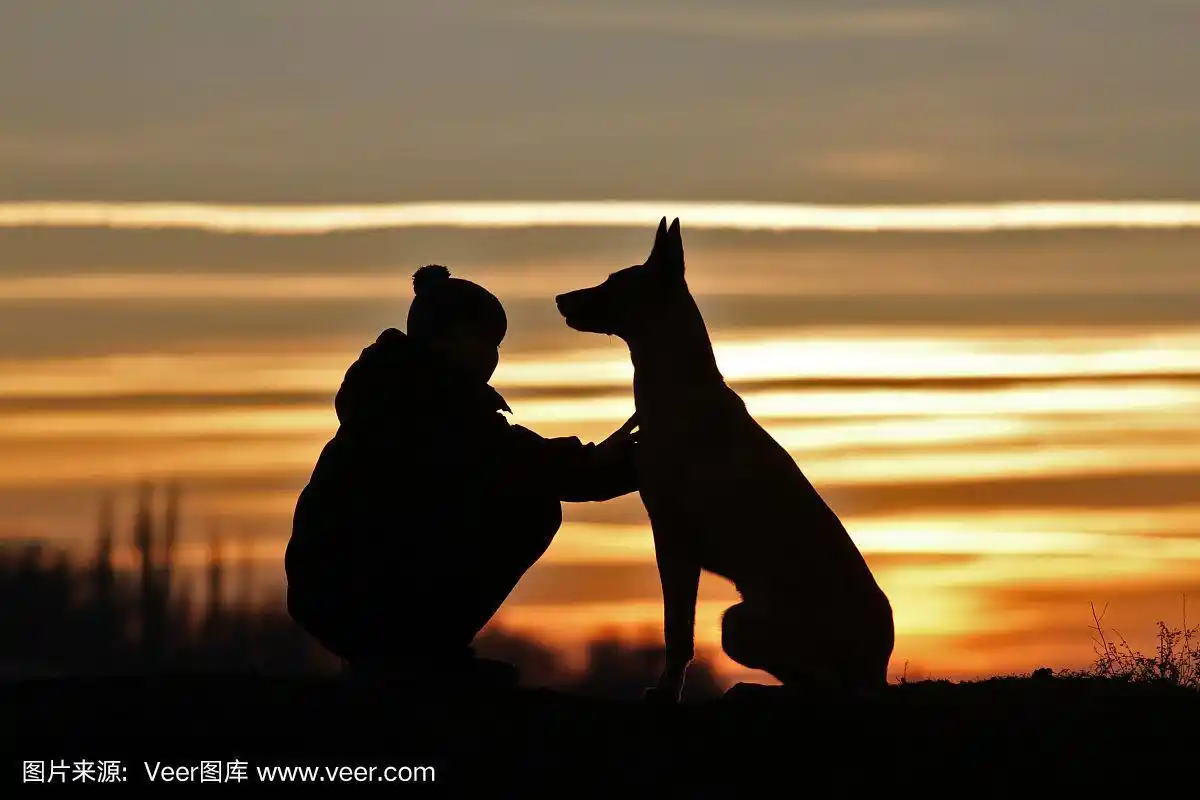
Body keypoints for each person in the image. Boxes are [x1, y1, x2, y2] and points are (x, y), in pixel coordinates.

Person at [285, 265, 639, 687]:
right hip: (351, 593)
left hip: (331, 591)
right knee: (531, 508)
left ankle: (413, 653)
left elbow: (522, 458)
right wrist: (639, 462)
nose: (493, 358)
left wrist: (604, 461)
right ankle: (417, 656)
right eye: (487, 342)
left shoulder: (399, 389)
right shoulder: (429, 402)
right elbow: (527, 464)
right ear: (453, 338)